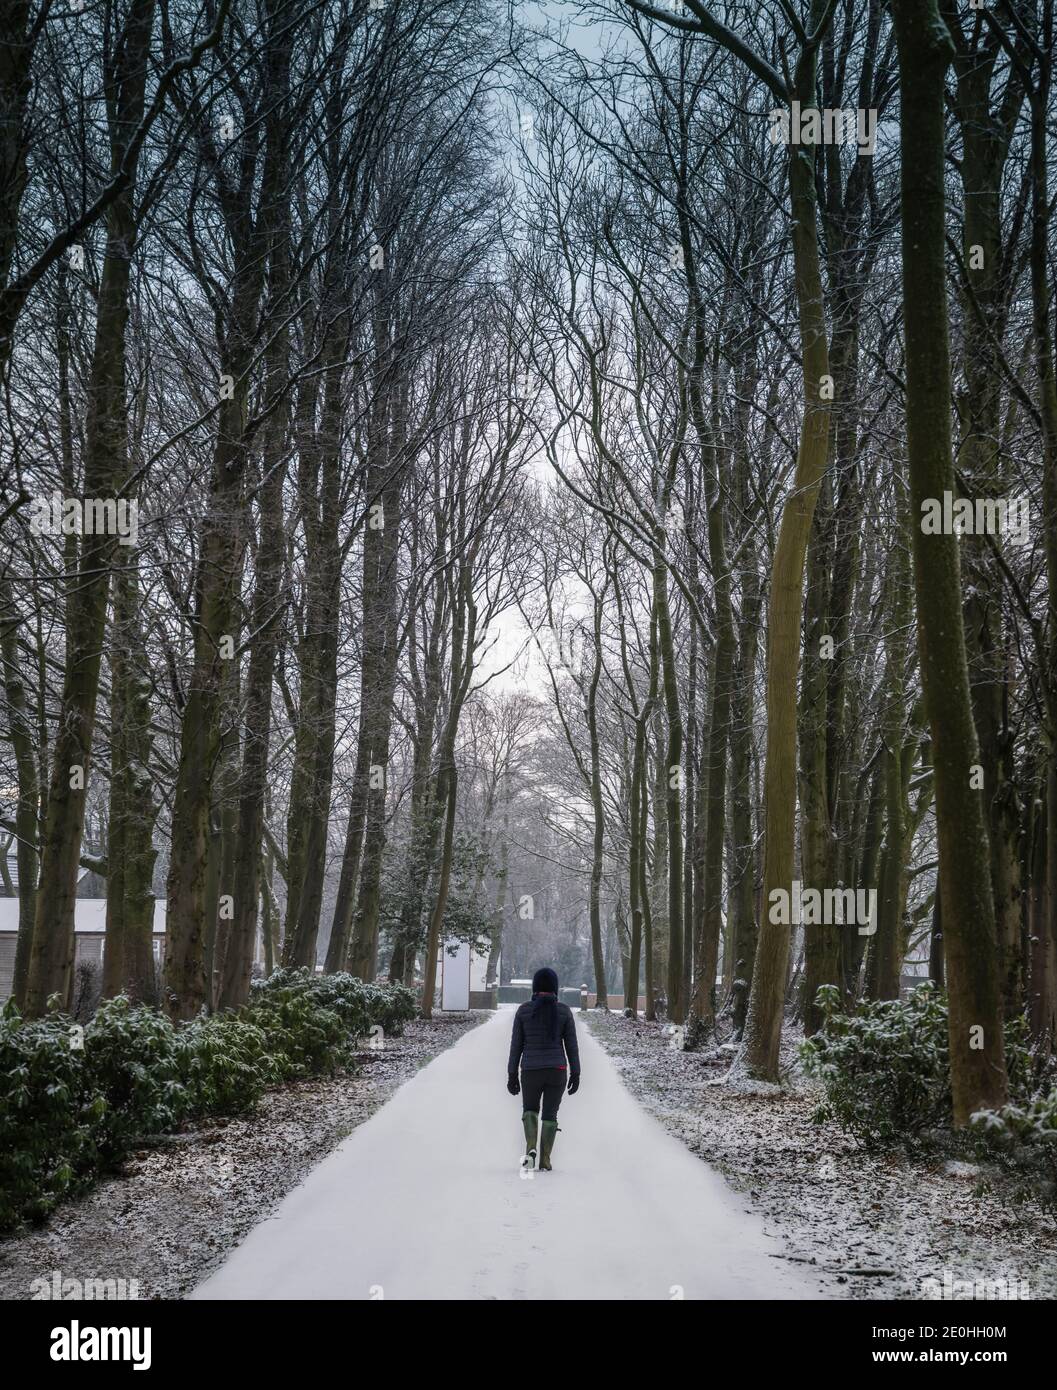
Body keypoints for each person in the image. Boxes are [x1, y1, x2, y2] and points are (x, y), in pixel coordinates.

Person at [506, 966, 580, 1171]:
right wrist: (576, 1072)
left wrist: (512, 1074)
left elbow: (516, 1046)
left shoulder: (524, 1011)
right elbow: (572, 1046)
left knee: (530, 1110)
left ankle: (531, 1146)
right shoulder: (564, 1011)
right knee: (550, 1114)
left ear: (535, 988)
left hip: (530, 1071)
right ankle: (545, 1159)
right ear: (555, 988)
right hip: (557, 1070)